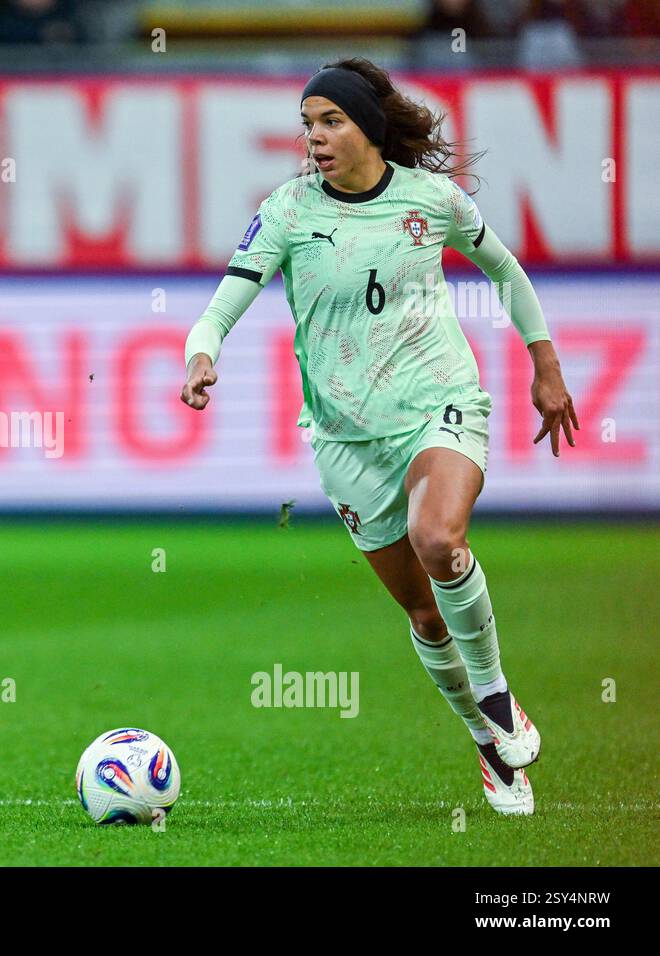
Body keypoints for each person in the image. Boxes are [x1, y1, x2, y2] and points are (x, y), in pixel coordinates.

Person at [181, 57, 579, 816]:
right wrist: (203, 353)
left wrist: (545, 363)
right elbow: (225, 300)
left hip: (440, 405)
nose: (316, 139)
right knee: (424, 614)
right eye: (307, 124)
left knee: (442, 540)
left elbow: (505, 269)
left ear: (367, 126)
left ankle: (498, 697)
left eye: (331, 121)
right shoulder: (291, 210)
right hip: (345, 439)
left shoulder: (431, 200)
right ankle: (490, 746)